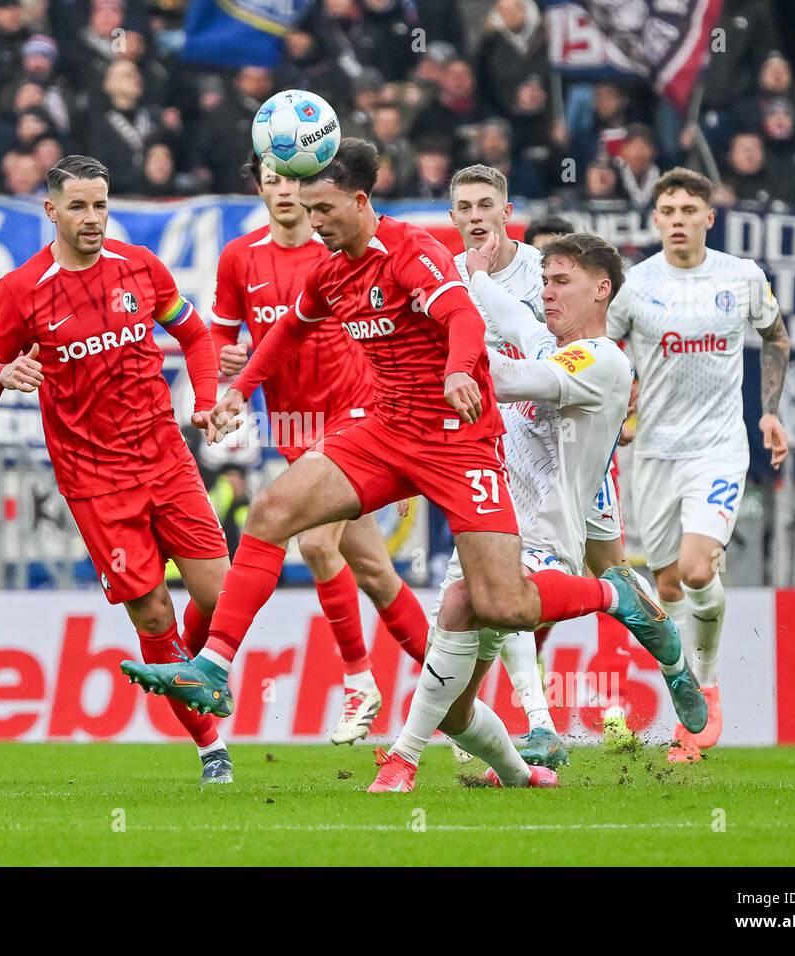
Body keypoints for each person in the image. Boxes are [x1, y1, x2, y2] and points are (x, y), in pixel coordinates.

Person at [118, 141, 679, 762]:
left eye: (324, 209)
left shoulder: (412, 250)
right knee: (273, 512)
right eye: (307, 209)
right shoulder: (331, 269)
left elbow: (462, 317)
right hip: (384, 431)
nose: (315, 222)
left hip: (458, 441)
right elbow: (288, 331)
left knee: (503, 603)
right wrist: (237, 393)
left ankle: (613, 595)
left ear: (360, 202)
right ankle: (216, 668)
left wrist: (460, 371)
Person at [375, 233, 706, 791]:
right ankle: (523, 774)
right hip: (488, 528)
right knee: (456, 712)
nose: (546, 294)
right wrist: (475, 278)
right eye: (545, 281)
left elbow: (504, 379)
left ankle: (402, 761)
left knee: (462, 602)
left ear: (602, 290)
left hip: (545, 542)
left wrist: (441, 337)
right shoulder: (551, 345)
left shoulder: (602, 360)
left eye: (561, 282)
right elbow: (512, 316)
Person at [0, 156, 236, 786]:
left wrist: (200, 399)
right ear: (51, 210)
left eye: (101, 205)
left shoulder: (139, 267)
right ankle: (210, 749)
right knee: (153, 617)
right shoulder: (21, 291)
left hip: (165, 456)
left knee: (222, 599)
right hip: (94, 480)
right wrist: (3, 375)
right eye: (79, 207)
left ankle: (193, 671)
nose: (92, 219)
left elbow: (196, 337)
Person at [211, 153, 429, 745]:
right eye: (271, 181)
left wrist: (400, 449)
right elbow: (223, 337)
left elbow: (388, 338)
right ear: (257, 188)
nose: (283, 192)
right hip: (293, 426)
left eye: (293, 181)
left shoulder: (337, 249)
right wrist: (223, 378)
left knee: (311, 541)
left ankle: (359, 679)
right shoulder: (239, 259)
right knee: (375, 572)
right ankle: (451, 690)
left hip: (357, 416)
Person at [446, 166, 631, 768]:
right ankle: (536, 723)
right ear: (453, 218)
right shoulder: (450, 279)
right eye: (464, 207)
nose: (476, 217)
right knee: (498, 585)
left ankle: (645, 682)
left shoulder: (541, 271)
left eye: (485, 205)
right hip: (494, 447)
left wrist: (619, 412)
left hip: (568, 447)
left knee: (613, 570)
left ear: (506, 211)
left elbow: (580, 345)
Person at [607, 167, 790, 763]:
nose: (680, 220)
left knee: (693, 567)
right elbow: (602, 355)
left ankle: (706, 685)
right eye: (669, 211)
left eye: (690, 210)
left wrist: (769, 413)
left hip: (718, 448)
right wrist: (618, 416)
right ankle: (687, 700)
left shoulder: (741, 277)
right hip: (656, 453)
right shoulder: (634, 286)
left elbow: (777, 337)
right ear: (655, 219)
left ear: (709, 217)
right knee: (665, 587)